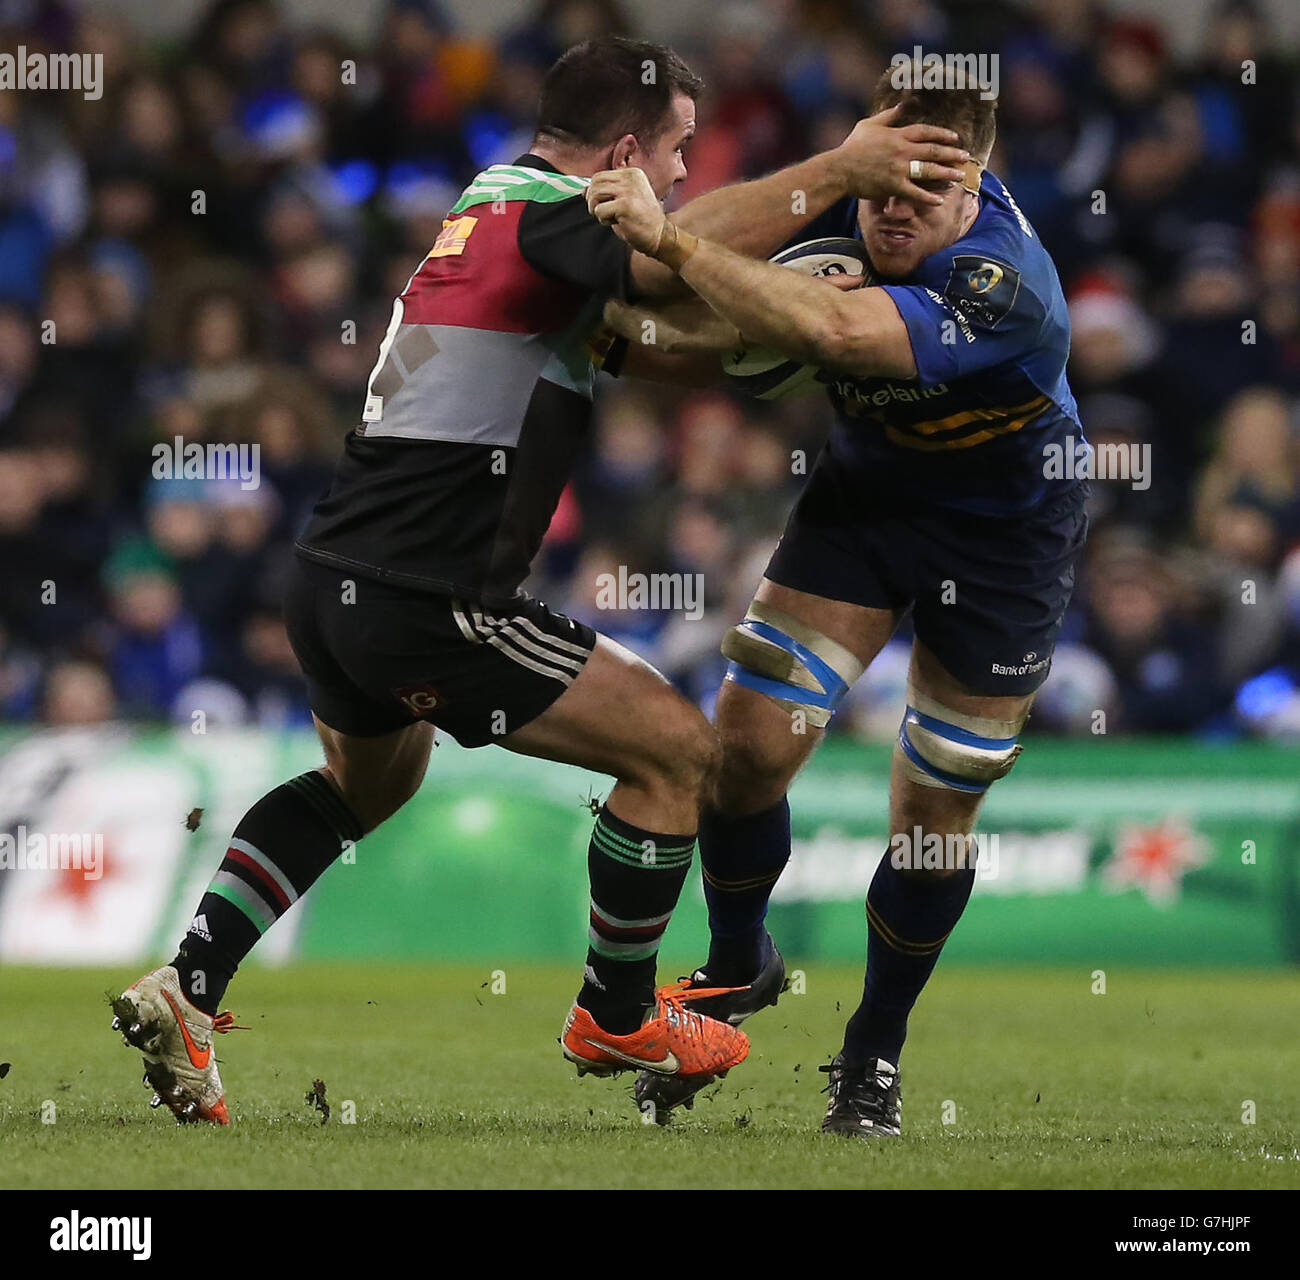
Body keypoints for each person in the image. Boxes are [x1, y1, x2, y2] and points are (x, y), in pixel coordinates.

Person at [108, 37, 969, 1125]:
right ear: (620, 154)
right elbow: (658, 258)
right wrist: (836, 174)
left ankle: (187, 982)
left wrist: (797, 327)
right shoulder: (549, 213)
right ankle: (614, 1008)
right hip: (430, 597)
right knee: (678, 751)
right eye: (676, 154)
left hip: (334, 580)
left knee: (365, 787)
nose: (681, 179)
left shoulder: (496, 210)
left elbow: (653, 318)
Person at [591, 66, 1089, 1137]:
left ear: (974, 189)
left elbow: (834, 335)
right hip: (868, 497)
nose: (893, 213)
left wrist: (677, 250)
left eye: (921, 198)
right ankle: (734, 973)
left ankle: (871, 1051)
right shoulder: (835, 192)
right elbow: (662, 301)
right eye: (878, 190)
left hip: (1007, 531)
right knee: (747, 745)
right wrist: (640, 318)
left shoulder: (1004, 279)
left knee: (932, 812)